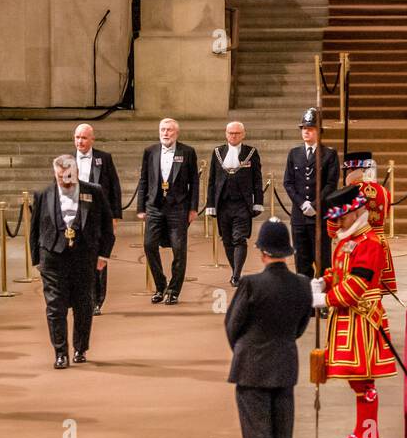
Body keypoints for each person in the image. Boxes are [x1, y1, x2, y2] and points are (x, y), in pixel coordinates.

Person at [312, 184, 397, 438]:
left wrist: (326, 299)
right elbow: (338, 271)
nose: (336, 224)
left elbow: (356, 285)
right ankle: (367, 434)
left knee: (363, 381)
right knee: (359, 382)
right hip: (348, 318)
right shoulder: (349, 239)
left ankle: (367, 435)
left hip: (362, 319)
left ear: (355, 213)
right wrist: (323, 282)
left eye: (340, 218)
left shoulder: (369, 243)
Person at [225, 218, 312, 438]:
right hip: (285, 366)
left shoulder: (251, 285)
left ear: (263, 252)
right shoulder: (302, 285)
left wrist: (244, 350)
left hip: (251, 369)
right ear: (288, 252)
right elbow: (300, 327)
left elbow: (232, 325)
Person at [31, 156, 115, 367]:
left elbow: (107, 226)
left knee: (83, 304)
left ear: (76, 172)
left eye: (69, 176)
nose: (65, 180)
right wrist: (36, 260)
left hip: (84, 256)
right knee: (55, 307)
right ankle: (60, 352)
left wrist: (103, 255)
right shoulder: (43, 194)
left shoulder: (93, 191)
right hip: (52, 256)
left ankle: (80, 348)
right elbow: (34, 230)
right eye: (61, 177)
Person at [137, 118, 200, 305]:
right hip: (154, 206)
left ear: (176, 133)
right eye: (163, 129)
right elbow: (143, 180)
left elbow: (194, 182)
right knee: (149, 245)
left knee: (179, 250)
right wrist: (141, 207)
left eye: (169, 130)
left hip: (178, 208)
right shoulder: (150, 151)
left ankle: (173, 290)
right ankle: (160, 285)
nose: (165, 133)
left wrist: (193, 208)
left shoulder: (187, 152)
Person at [206, 121, 264, 287]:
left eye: (237, 133)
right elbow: (212, 181)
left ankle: (236, 275)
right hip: (223, 204)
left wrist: (257, 202)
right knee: (227, 240)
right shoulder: (217, 152)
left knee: (239, 239)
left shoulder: (251, 153)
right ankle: (235, 270)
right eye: (231, 133)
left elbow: (257, 179)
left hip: (242, 205)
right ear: (226, 134)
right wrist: (211, 204)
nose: (234, 136)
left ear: (243, 134)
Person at [72, 124, 123, 314]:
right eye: (77, 137)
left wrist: (115, 216)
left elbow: (114, 187)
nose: (80, 141)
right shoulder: (67, 160)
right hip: (75, 216)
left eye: (84, 138)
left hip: (99, 215)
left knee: (98, 257)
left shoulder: (104, 158)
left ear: (92, 139)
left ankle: (97, 300)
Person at [283, 108, 339, 278]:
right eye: (304, 128)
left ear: (318, 131)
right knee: (301, 261)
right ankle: (305, 300)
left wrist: (315, 205)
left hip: (319, 216)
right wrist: (302, 203)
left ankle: (323, 300)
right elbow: (288, 183)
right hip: (299, 218)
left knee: (322, 262)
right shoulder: (294, 154)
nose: (306, 132)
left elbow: (330, 185)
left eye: (310, 128)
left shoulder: (329, 155)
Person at [336, 152, 397, 297]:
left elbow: (340, 222)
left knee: (357, 284)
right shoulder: (383, 191)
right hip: (380, 239)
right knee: (377, 285)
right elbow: (386, 214)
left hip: (359, 242)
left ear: (351, 171)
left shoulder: (349, 192)